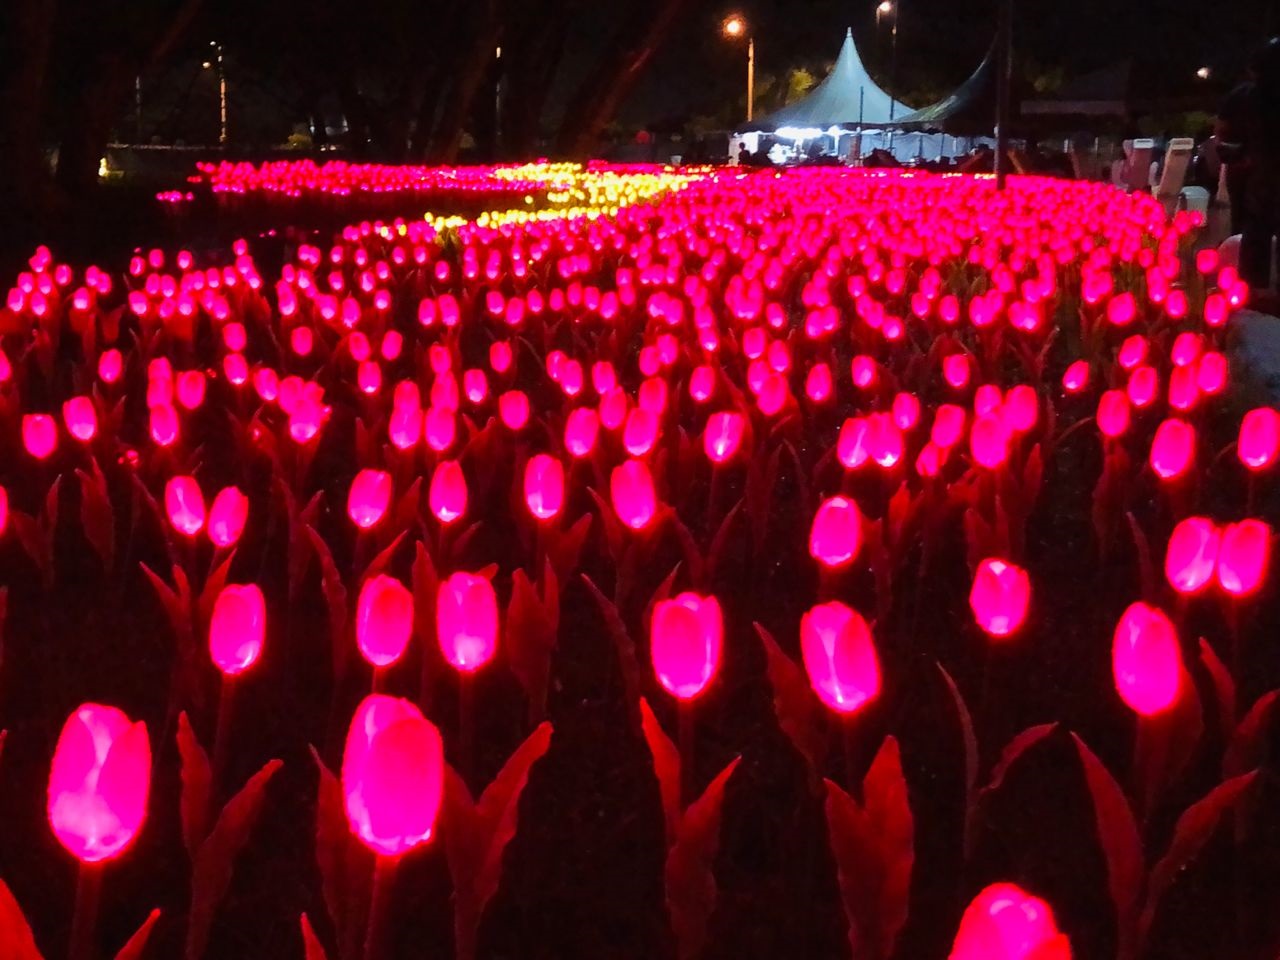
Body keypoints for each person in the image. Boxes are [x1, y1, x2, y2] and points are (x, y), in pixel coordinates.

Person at [1217, 37, 1280, 290]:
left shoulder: (1245, 95)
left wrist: (1240, 154)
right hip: (1262, 175)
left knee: (1255, 236)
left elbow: (1222, 132)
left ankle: (1251, 296)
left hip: (1258, 176)